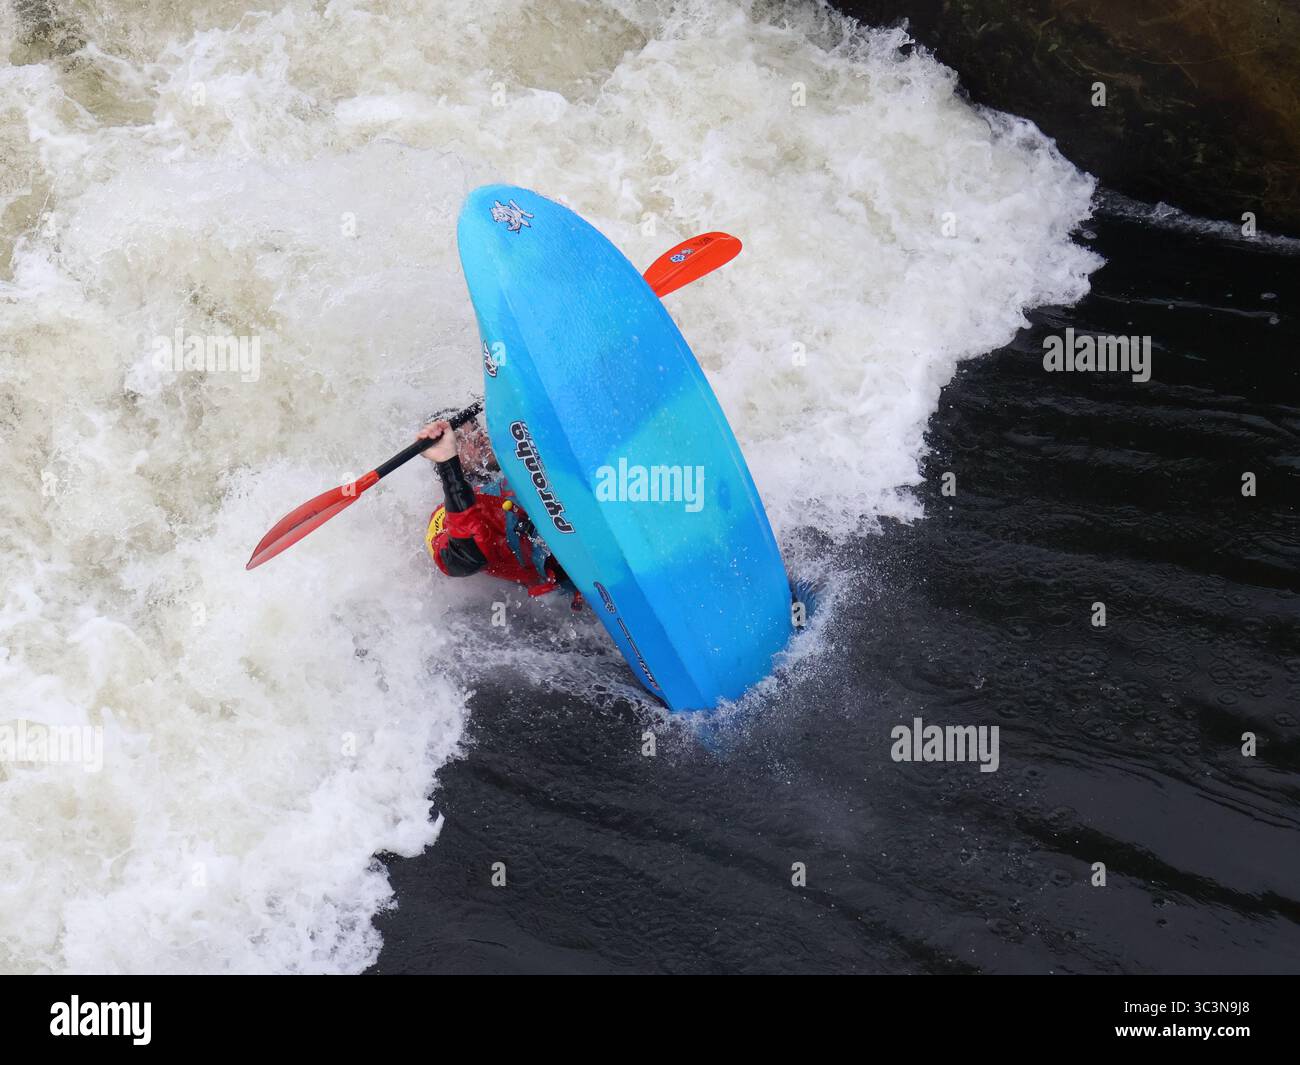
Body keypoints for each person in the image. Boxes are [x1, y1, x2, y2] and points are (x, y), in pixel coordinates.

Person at [418, 413, 583, 609]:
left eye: (476, 427)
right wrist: (448, 465)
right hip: (579, 574)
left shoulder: (524, 455)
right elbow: (464, 558)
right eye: (461, 438)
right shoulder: (445, 514)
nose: (478, 436)